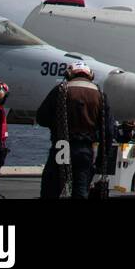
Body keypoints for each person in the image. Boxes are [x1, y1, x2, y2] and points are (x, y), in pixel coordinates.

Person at [37, 62, 113, 198]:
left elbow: (41, 118)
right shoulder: (100, 95)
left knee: (51, 189)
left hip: (62, 147)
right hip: (85, 150)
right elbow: (108, 131)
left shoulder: (61, 89)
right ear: (90, 75)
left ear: (69, 74)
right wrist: (102, 159)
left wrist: (57, 124)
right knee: (80, 190)